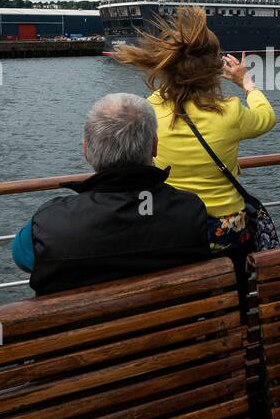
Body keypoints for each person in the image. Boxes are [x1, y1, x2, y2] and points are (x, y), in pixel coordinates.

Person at [12, 93, 218, 295]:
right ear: (154, 146)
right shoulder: (191, 211)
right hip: (177, 326)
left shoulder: (49, 223)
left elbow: (23, 258)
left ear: (86, 150)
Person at [114, 6, 277, 255]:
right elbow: (267, 118)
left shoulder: (151, 107)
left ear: (170, 67)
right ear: (215, 70)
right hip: (227, 228)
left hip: (175, 225)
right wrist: (246, 83)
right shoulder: (229, 111)